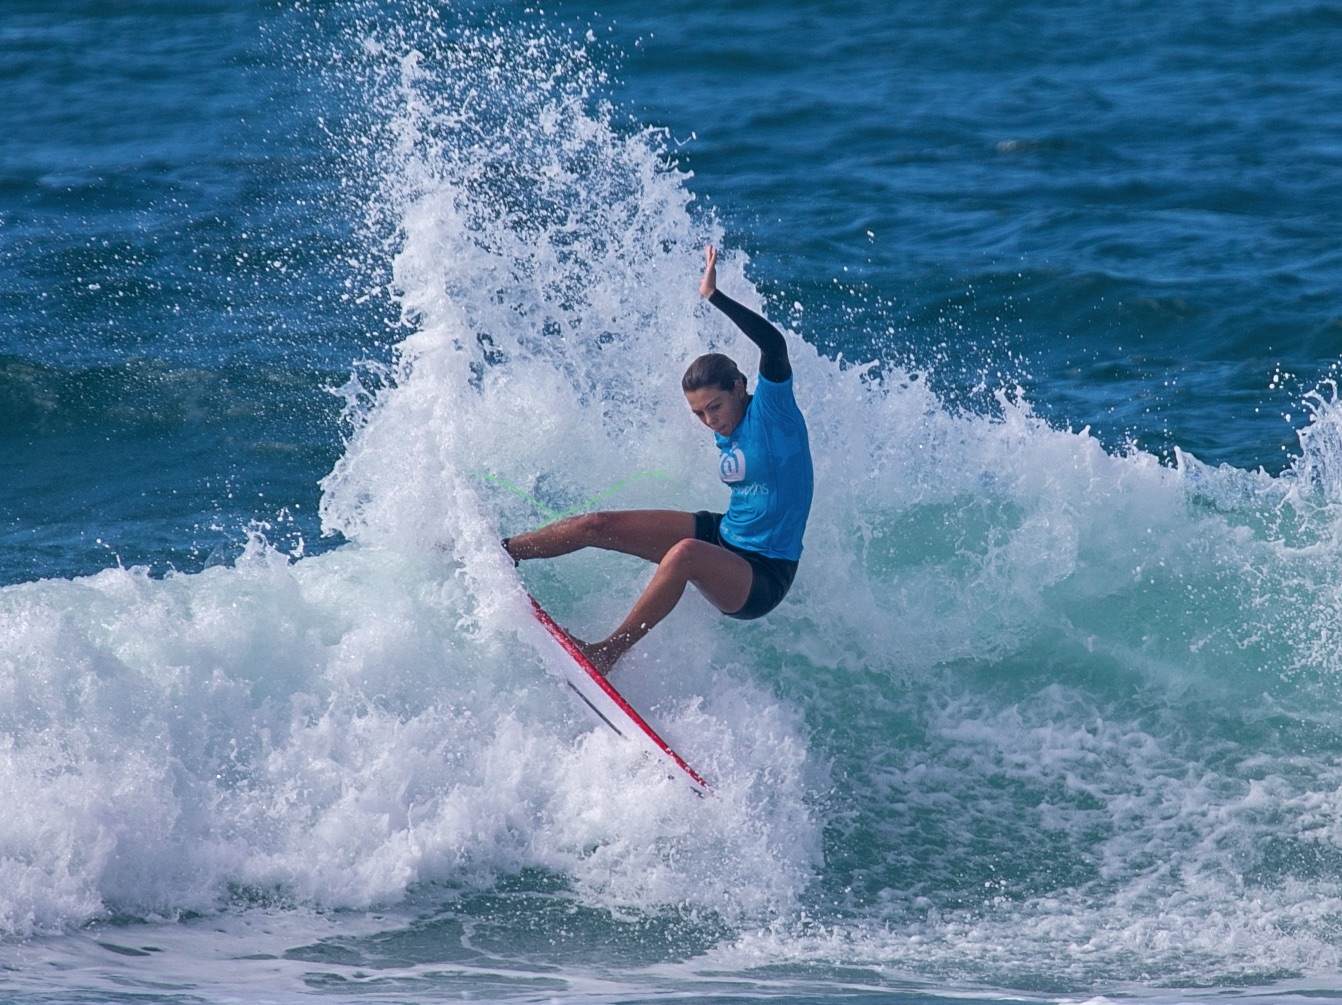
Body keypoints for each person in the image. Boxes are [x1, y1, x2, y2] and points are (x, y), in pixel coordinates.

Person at [502, 245, 814, 674]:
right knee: (596, 525)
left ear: (741, 386)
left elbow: (774, 344)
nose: (709, 421)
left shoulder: (773, 413)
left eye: (715, 407)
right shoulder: (726, 426)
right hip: (725, 533)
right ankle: (504, 553)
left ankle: (606, 653)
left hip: (762, 574)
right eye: (699, 414)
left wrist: (714, 296)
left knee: (685, 553)